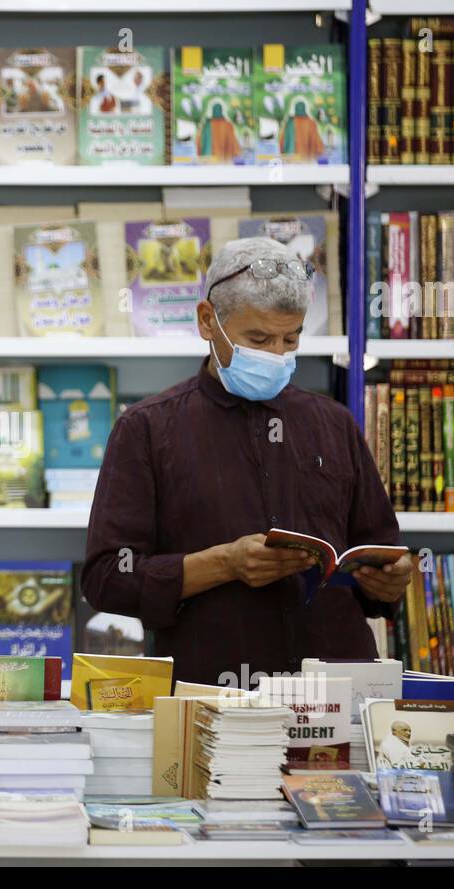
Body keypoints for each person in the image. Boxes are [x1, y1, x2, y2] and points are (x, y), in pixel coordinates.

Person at [82, 236, 412, 687]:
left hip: (338, 688)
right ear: (207, 321)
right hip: (215, 696)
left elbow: (379, 549)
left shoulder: (333, 423)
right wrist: (222, 564)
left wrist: (390, 582)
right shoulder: (146, 429)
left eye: (290, 339)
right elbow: (106, 578)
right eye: (258, 339)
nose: (276, 355)